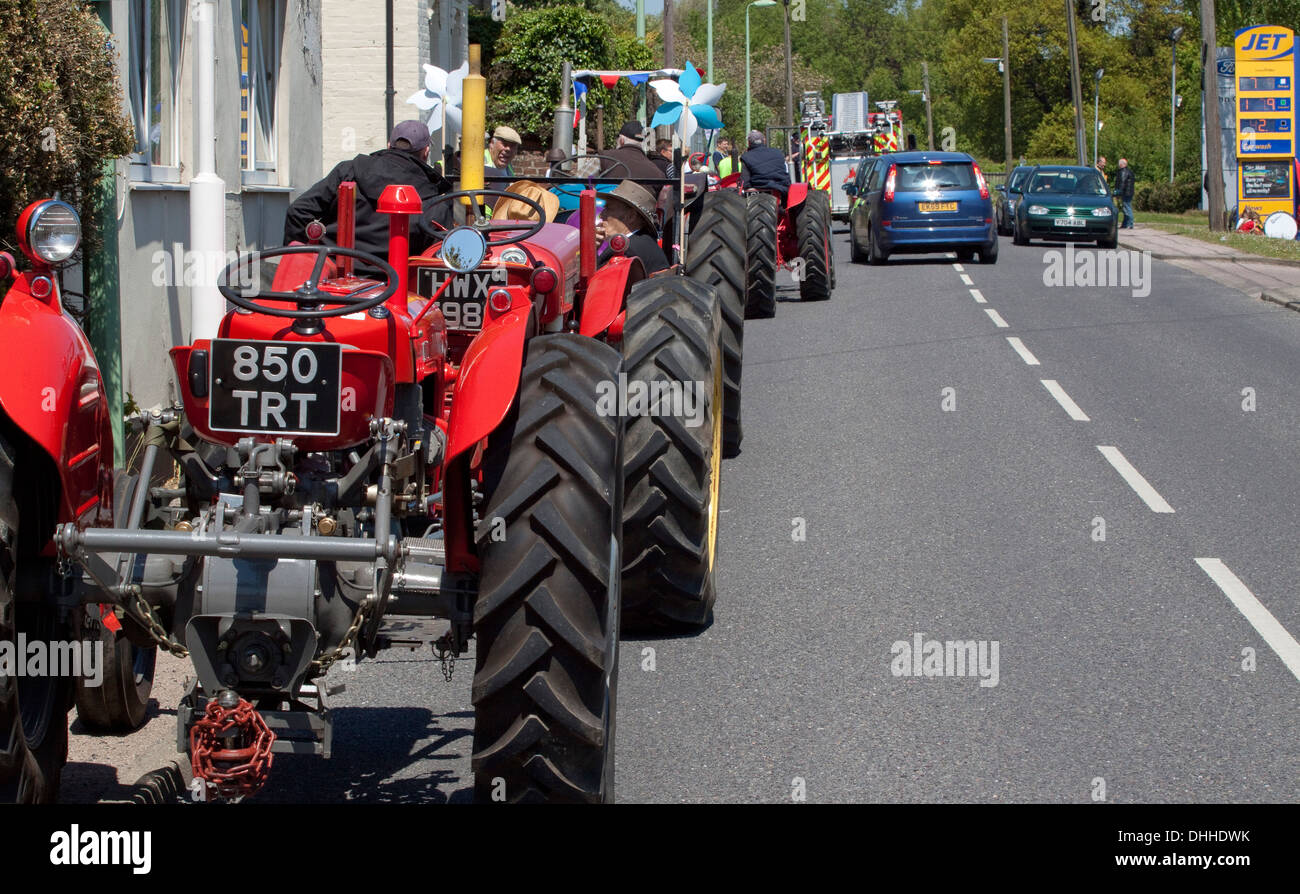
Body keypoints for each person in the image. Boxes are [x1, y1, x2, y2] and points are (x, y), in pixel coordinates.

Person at [283, 120, 454, 263]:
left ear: (389, 145)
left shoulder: (348, 171)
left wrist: (302, 259)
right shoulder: (435, 200)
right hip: (395, 286)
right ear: (426, 152)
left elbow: (298, 211)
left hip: (334, 277)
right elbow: (435, 256)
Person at [593, 180, 669, 274]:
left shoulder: (626, 252)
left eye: (608, 208)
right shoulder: (644, 241)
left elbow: (596, 283)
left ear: (631, 216)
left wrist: (590, 251)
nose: (601, 215)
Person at [597, 121, 667, 180]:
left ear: (621, 140)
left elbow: (587, 176)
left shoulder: (604, 157)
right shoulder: (657, 173)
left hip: (607, 195)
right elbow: (664, 194)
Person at [1115, 157, 1136, 229]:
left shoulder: (1123, 172)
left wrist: (1118, 192)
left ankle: (1130, 223)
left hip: (1126, 193)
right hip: (1129, 192)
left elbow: (1122, 183)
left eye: (1119, 164)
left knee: (1127, 207)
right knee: (1126, 207)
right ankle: (1125, 223)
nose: (1118, 165)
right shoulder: (1130, 171)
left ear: (1122, 164)